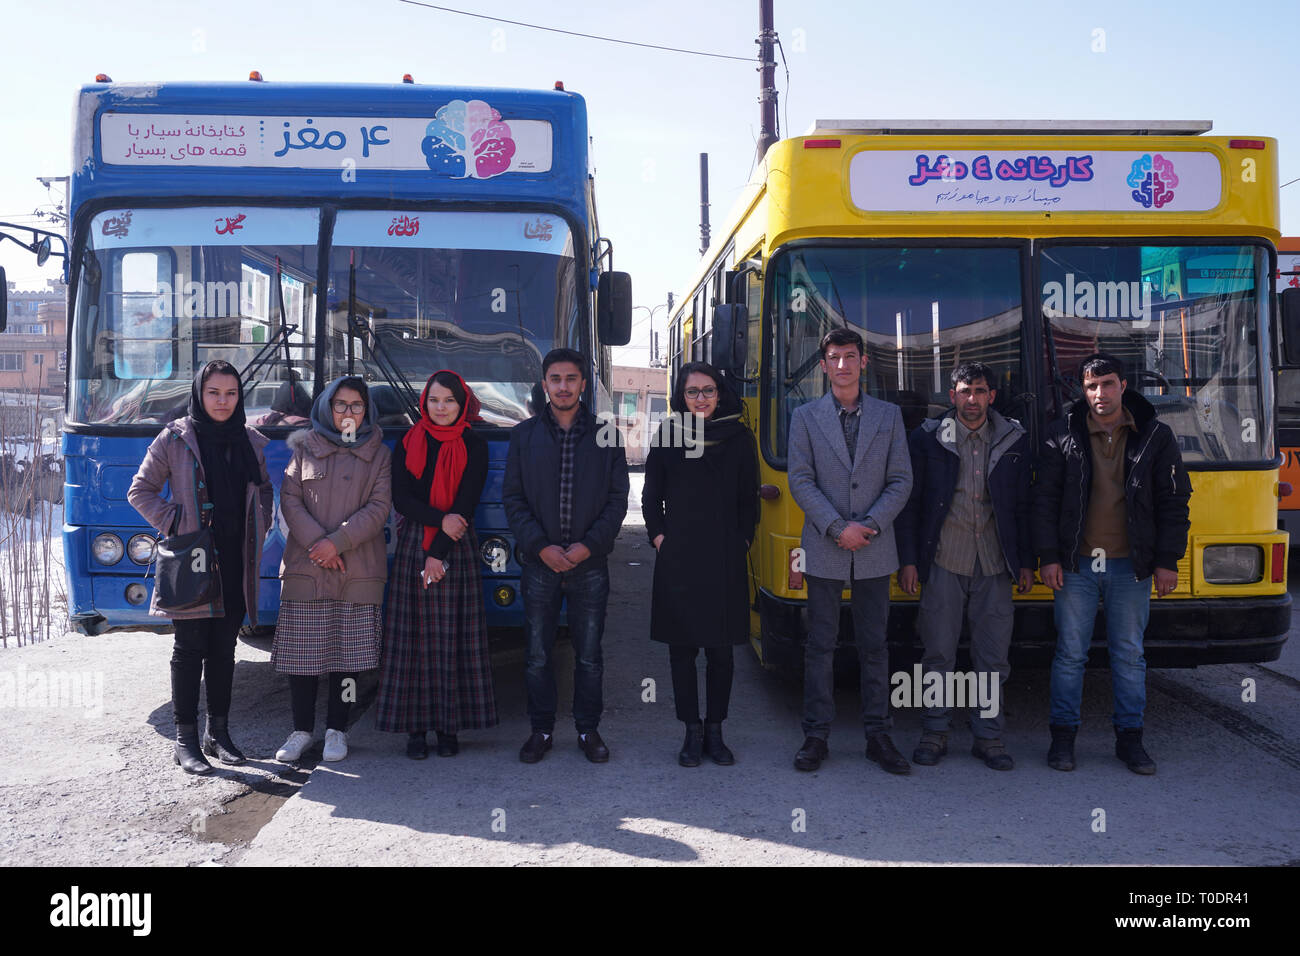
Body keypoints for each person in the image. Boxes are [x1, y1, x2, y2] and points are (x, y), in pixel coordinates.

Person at [1032, 352, 1191, 774]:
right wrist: (1049, 557)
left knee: (1129, 655)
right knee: (1070, 655)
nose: (1099, 394)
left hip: (1130, 567)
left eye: (1107, 384)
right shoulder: (1061, 435)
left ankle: (1130, 741)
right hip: (1077, 565)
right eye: (1090, 386)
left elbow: (1174, 502)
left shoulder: (1156, 436)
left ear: (1123, 385)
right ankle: (1063, 740)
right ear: (1082, 391)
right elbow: (1044, 502)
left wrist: (1166, 561)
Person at [128, 360, 274, 775]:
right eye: (214, 393)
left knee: (224, 650)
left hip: (234, 557)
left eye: (231, 393)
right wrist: (175, 522)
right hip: (191, 560)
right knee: (189, 649)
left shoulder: (250, 441)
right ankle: (185, 740)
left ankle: (219, 733)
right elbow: (140, 491)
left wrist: (259, 520)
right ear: (199, 394)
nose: (223, 401)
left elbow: (264, 489)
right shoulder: (174, 439)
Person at [896, 362, 1035, 771]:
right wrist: (908, 561)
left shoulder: (1013, 438)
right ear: (951, 395)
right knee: (938, 653)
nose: (971, 399)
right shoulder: (926, 439)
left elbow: (1023, 506)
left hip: (995, 563)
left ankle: (989, 738)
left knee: (992, 657)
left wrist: (1027, 562)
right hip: (943, 560)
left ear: (991, 396)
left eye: (979, 391)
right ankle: (934, 732)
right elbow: (910, 504)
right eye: (963, 391)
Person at [787, 327, 913, 774]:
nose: (842, 364)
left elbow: (901, 479)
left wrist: (871, 525)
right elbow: (800, 480)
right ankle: (815, 735)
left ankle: (878, 735)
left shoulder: (889, 416)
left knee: (875, 645)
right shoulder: (804, 418)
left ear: (863, 363)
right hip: (825, 546)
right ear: (823, 365)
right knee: (820, 643)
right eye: (834, 357)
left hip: (875, 549)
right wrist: (838, 528)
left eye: (850, 356)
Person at [504, 348, 629, 764]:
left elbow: (617, 500)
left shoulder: (606, 434)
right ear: (544, 386)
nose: (562, 386)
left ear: (583, 384)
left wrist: (587, 546)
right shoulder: (523, 436)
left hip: (588, 565)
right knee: (537, 654)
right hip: (540, 565)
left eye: (570, 379)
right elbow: (514, 500)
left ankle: (588, 730)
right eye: (555, 379)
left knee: (589, 655)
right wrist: (541, 546)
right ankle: (541, 730)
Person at [376, 370, 496, 759]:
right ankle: (415, 730)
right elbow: (402, 499)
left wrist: (438, 551)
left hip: (455, 547)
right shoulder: (409, 440)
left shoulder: (474, 444)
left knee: (451, 640)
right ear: (423, 403)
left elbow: (466, 502)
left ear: (462, 404)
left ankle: (448, 729)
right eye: (434, 400)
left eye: (449, 401)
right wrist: (436, 524)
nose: (441, 408)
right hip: (415, 542)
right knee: (412, 641)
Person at [644, 362, 759, 767]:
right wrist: (660, 539)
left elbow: (750, 500)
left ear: (720, 393)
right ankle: (691, 731)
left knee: (721, 653)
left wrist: (742, 541)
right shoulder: (668, 436)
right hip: (678, 558)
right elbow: (650, 497)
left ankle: (716, 731)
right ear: (681, 396)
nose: (701, 399)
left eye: (708, 390)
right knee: (682, 651)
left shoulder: (739, 438)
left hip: (723, 558)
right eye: (692, 392)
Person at [272, 377, 392, 763]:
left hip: (356, 569)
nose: (348, 413)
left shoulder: (380, 454)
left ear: (367, 411)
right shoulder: (303, 449)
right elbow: (290, 500)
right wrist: (317, 546)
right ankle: (301, 730)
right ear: (327, 407)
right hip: (307, 567)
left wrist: (335, 544)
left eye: (357, 406)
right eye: (340, 405)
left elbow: (378, 509)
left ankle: (337, 729)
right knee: (302, 659)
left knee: (349, 661)